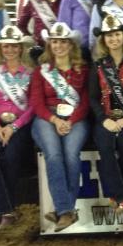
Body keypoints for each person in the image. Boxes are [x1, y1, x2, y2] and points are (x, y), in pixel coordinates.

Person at [30, 22, 90, 232]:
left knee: (71, 154)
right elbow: (36, 103)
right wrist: (55, 120)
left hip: (75, 117)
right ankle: (66, 211)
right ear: (50, 45)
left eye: (63, 42)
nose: (59, 46)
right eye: (55, 42)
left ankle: (64, 210)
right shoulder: (41, 71)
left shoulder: (83, 70)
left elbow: (84, 101)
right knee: (54, 155)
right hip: (47, 117)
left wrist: (71, 120)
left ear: (70, 44)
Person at [0, 25, 36, 229]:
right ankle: (2, 208)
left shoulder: (30, 73)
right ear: (0, 48)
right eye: (6, 46)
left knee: (11, 157)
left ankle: (7, 208)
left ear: (21, 48)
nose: (10, 50)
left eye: (15, 46)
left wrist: (14, 127)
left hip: (20, 126)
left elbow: (32, 106)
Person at [89, 15, 123, 214]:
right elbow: (93, 97)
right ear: (103, 39)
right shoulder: (98, 65)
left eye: (117, 34)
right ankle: (122, 196)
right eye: (109, 35)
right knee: (105, 146)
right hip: (106, 119)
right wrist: (104, 119)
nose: (113, 39)